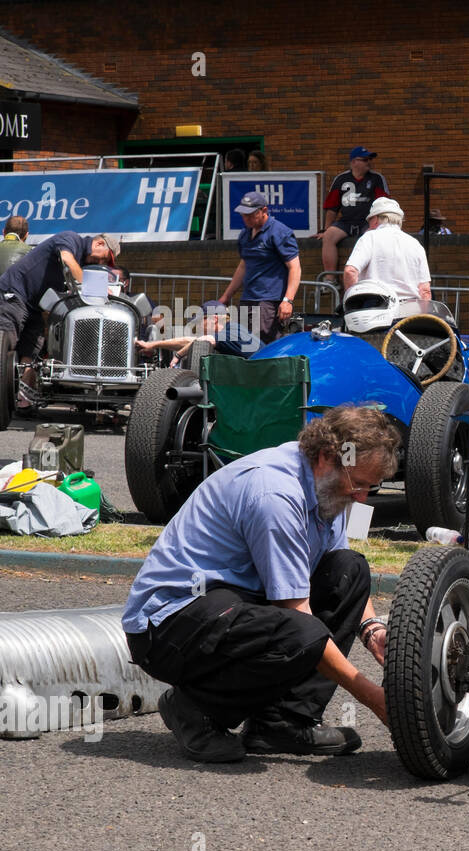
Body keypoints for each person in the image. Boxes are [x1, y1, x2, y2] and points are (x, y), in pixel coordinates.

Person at [122, 406, 399, 763]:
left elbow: (338, 567)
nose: (362, 498)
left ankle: (281, 723)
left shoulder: (329, 489)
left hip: (231, 603)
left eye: (370, 488)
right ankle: (195, 709)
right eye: (359, 484)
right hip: (168, 626)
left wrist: (372, 629)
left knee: (350, 570)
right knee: (300, 634)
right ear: (328, 457)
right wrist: (372, 697)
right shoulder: (276, 496)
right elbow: (299, 618)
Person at [0, 230, 120, 410]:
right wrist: (91, 289)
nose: (101, 263)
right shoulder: (70, 239)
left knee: (33, 348)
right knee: (5, 342)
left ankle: (22, 399)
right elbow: (67, 259)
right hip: (15, 293)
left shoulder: (80, 261)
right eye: (105, 258)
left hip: (34, 305)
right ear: (99, 244)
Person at [218, 190, 301, 343]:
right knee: (245, 344)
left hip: (268, 301)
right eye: (243, 215)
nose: (246, 218)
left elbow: (295, 268)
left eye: (250, 214)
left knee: (263, 344)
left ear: (264, 210)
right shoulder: (245, 234)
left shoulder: (279, 232)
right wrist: (226, 296)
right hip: (247, 298)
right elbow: (243, 266)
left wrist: (287, 300)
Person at [342, 197, 431, 303]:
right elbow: (425, 290)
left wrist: (351, 303)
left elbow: (350, 271)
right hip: (410, 310)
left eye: (369, 221)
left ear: (375, 219)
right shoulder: (415, 244)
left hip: (375, 308)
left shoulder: (370, 237)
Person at [319, 146, 388, 276]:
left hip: (368, 222)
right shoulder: (340, 179)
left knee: (371, 238)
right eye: (365, 159)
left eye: (369, 160)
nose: (369, 162)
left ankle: (370, 276)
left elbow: (384, 205)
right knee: (329, 236)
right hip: (345, 222)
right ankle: (330, 278)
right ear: (354, 162)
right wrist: (325, 229)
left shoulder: (377, 179)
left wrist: (378, 224)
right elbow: (332, 208)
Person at [135, 300, 261, 366]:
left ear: (215, 319)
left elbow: (202, 340)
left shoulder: (231, 332)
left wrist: (178, 356)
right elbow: (190, 341)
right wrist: (153, 344)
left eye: (201, 321)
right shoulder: (231, 330)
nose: (199, 326)